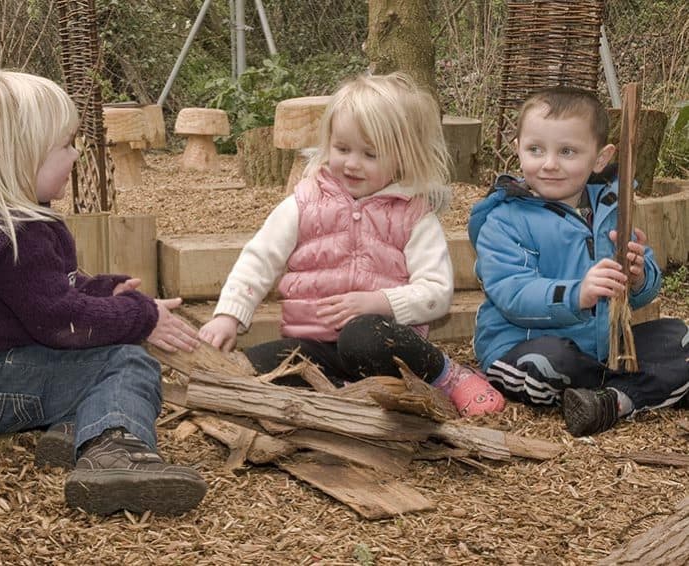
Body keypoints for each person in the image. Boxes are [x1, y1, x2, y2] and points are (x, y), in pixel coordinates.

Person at [0, 70, 208, 517]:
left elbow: (42, 294)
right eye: (65, 145)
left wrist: (106, 292)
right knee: (126, 361)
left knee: (109, 348)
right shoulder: (15, 232)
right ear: (20, 155)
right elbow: (59, 320)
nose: (74, 155)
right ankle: (114, 453)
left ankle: (71, 434)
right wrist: (139, 318)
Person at [198, 72, 505, 417]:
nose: (351, 163)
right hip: (314, 344)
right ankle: (347, 392)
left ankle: (447, 376)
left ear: (403, 157)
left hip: (384, 342)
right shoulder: (305, 203)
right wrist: (228, 315)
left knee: (363, 335)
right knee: (258, 367)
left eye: (370, 154)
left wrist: (379, 302)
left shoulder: (414, 216)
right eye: (342, 148)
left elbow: (437, 293)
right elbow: (259, 260)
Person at [468, 86, 689, 437]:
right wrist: (577, 294)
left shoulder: (613, 208)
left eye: (567, 151)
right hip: (522, 344)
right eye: (535, 149)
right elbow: (512, 293)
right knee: (549, 363)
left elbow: (642, 289)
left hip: (602, 350)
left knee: (679, 337)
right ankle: (640, 388)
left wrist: (638, 277)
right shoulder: (504, 218)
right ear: (518, 150)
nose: (550, 163)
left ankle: (613, 401)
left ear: (600, 158)